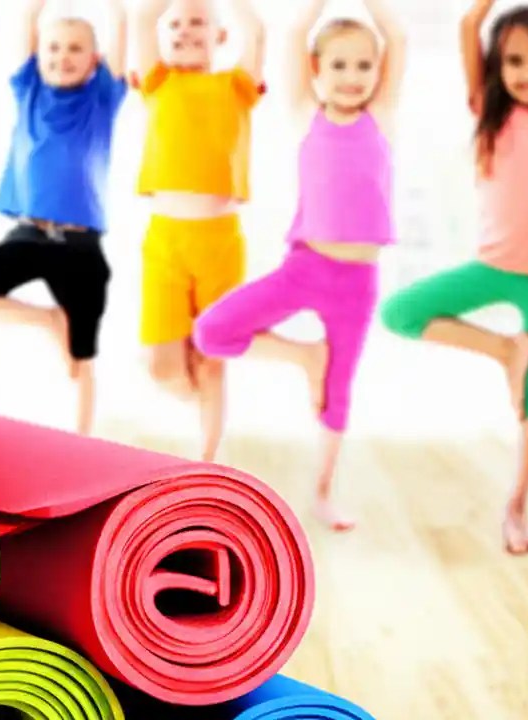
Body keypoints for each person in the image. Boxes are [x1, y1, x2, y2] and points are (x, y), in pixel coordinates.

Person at [380, 0, 528, 554]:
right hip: (495, 265)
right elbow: (468, 24)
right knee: (399, 312)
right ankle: (504, 350)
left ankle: (517, 507)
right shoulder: (489, 113)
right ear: (496, 72)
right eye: (514, 61)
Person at [193, 0, 406, 531]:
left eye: (364, 65)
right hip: (305, 266)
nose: (353, 77)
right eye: (339, 64)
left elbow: (396, 35)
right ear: (316, 70)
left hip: (357, 282)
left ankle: (323, 491)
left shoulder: (380, 118)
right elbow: (294, 33)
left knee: (339, 394)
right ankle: (304, 356)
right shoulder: (302, 113)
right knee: (211, 331)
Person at [0, 0, 127, 435]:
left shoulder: (101, 102)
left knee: (81, 357)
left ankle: (81, 442)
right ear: (38, 56)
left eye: (75, 49)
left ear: (94, 61)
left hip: (81, 246)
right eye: (54, 48)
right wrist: (36, 17)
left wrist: (115, 12)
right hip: (27, 237)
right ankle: (47, 320)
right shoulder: (30, 92)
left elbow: (119, 26)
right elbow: (28, 19)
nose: (62, 57)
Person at [131, 0, 266, 462]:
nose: (187, 31)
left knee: (213, 361)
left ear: (220, 36)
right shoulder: (157, 82)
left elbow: (256, 28)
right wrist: (164, 12)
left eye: (199, 23)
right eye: (178, 24)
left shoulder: (237, 85)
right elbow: (143, 18)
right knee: (161, 367)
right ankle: (201, 404)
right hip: (165, 241)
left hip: (220, 242)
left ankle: (206, 459)